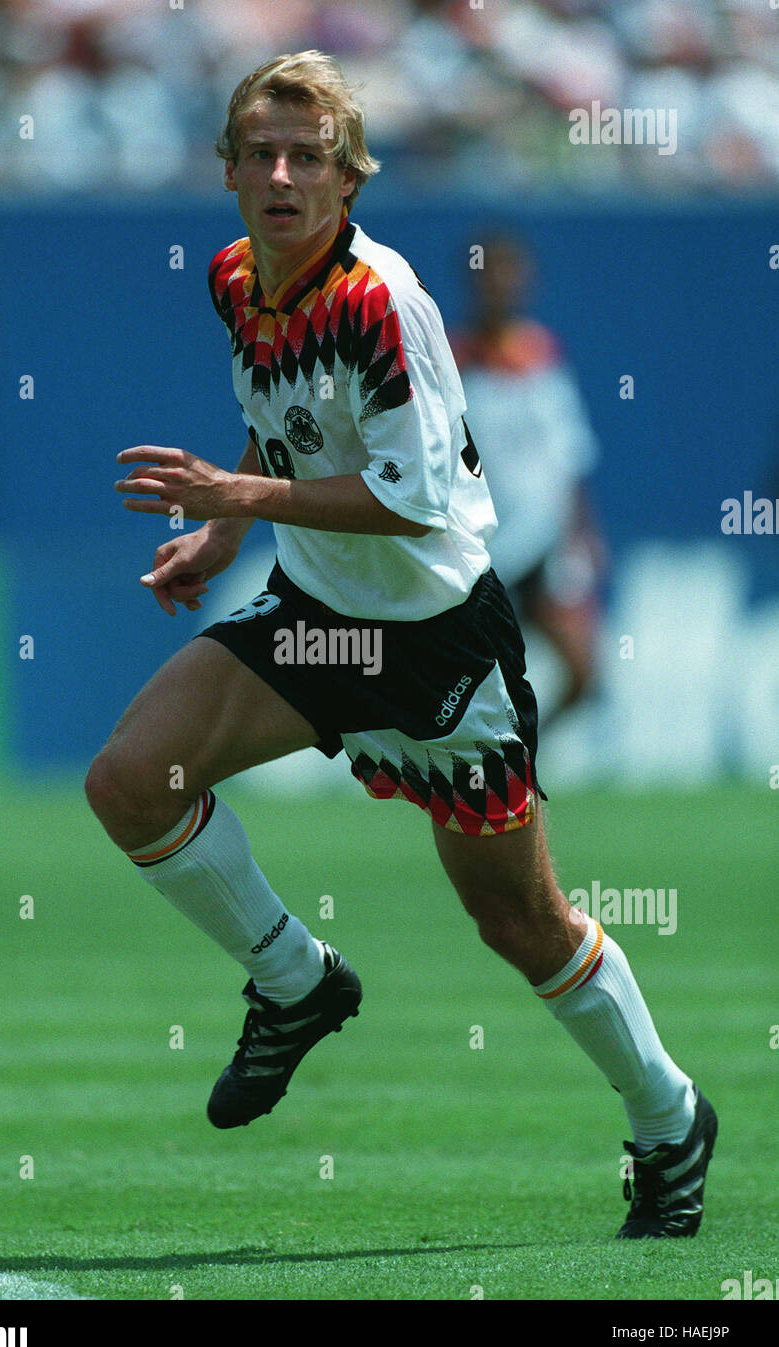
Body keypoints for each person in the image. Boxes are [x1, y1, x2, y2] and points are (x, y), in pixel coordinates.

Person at [85, 50, 716, 1239]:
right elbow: (285, 420)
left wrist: (237, 499)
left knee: (519, 920)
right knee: (132, 780)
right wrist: (224, 532)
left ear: (349, 176)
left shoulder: (384, 301)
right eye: (261, 153)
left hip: (433, 644)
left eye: (307, 157)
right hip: (322, 620)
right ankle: (295, 980)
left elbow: (411, 500)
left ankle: (669, 1116)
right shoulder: (236, 277)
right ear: (226, 171)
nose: (282, 174)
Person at [452, 235, 604, 730]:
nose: (501, 283)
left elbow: (568, 454)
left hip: (543, 537)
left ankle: (525, 753)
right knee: (460, 672)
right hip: (483, 540)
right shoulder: (454, 358)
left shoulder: (541, 352)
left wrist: (583, 530)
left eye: (510, 271)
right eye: (490, 271)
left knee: (584, 673)